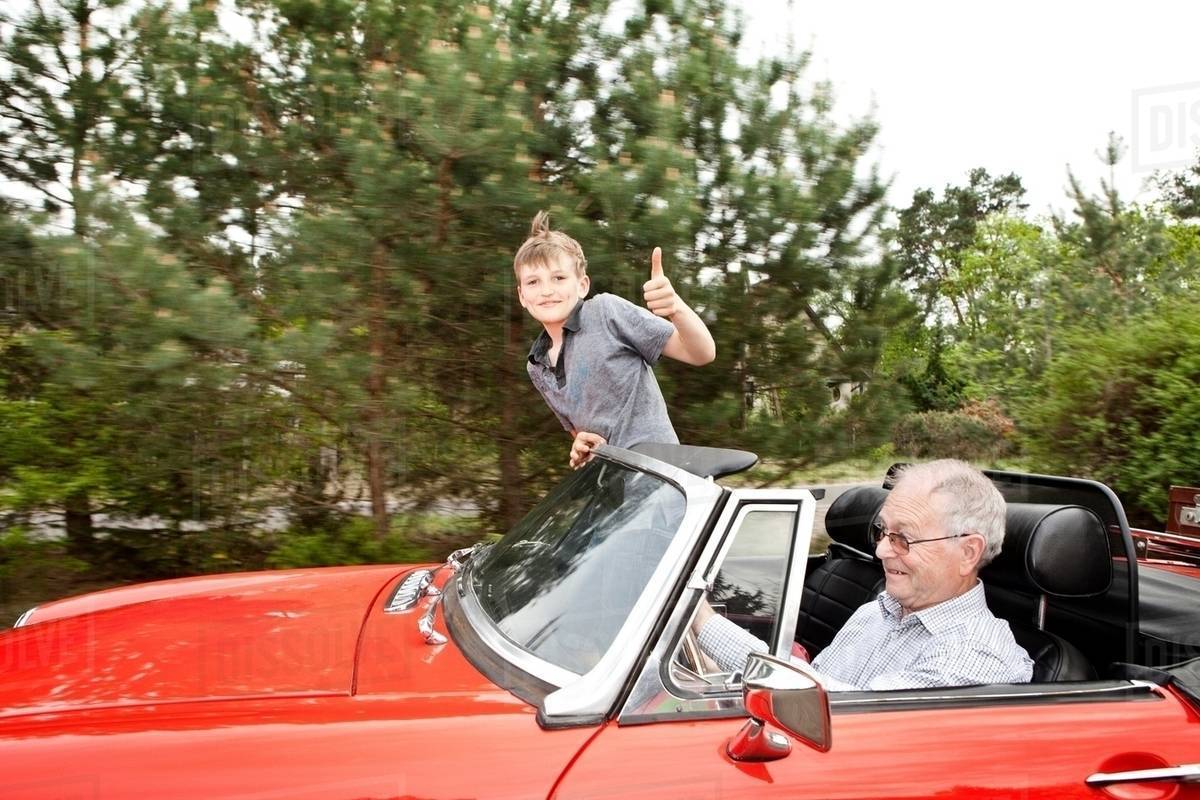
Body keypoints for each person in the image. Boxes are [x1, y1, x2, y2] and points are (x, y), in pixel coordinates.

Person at [694, 459, 1034, 691]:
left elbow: (829, 707)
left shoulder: (974, 659)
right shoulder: (877, 611)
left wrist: (699, 615)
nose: (882, 550)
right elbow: (813, 682)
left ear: (967, 552)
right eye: (882, 532)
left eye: (904, 538)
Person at [514, 211, 715, 467]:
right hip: (610, 483)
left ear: (582, 285)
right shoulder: (537, 365)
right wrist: (581, 447)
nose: (546, 290)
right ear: (521, 296)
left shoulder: (606, 312)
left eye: (559, 278)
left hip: (658, 475)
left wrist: (676, 307)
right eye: (533, 282)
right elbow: (581, 432)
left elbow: (701, 353)